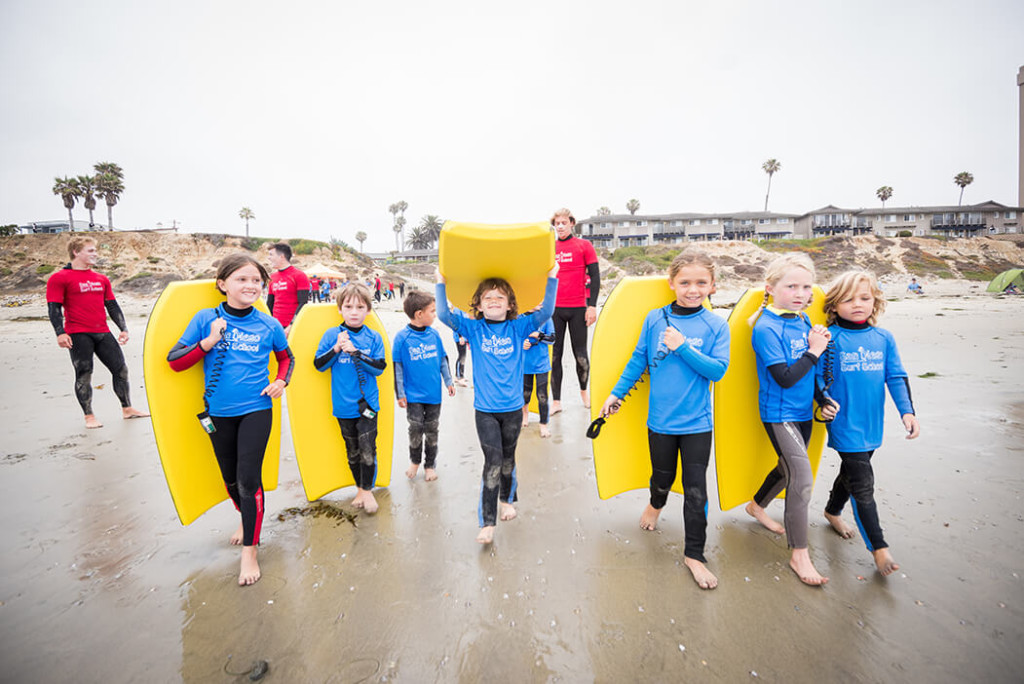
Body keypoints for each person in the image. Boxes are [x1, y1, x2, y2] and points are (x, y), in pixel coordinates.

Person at [599, 249, 729, 589]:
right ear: (672, 283)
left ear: (713, 286)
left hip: (698, 423)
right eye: (685, 282)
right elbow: (638, 360)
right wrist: (615, 395)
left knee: (696, 491)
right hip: (661, 421)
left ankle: (694, 555)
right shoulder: (655, 319)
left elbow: (718, 371)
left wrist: (683, 347)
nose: (692, 289)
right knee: (662, 476)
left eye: (701, 282)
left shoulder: (716, 325)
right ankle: (656, 503)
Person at [167, 253, 294, 586]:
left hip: (257, 409)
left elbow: (286, 358)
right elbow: (175, 361)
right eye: (242, 279)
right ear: (222, 284)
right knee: (230, 479)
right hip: (217, 413)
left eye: (256, 280)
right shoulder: (205, 318)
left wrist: (282, 381)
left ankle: (250, 551)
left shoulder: (269, 324)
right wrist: (207, 342)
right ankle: (245, 517)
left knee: (249, 480)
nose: (250, 285)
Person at [436, 263, 559, 544]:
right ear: (479, 304)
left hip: (514, 410)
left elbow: (546, 312)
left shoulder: (518, 327)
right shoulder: (474, 328)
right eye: (487, 298)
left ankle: (508, 498)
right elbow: (443, 313)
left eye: (500, 298)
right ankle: (487, 522)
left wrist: (551, 279)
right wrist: (441, 282)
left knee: (507, 459)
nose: (493, 301)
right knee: (492, 462)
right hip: (486, 411)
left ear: (510, 304)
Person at [816, 270, 920, 576]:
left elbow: (896, 376)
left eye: (864, 297)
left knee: (850, 472)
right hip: (844, 422)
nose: (858, 304)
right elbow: (818, 376)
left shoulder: (883, 338)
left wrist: (907, 411)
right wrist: (824, 402)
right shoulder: (829, 338)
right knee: (863, 483)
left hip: (873, 421)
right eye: (848, 299)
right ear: (834, 305)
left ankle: (832, 510)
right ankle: (879, 548)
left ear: (875, 301)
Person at [744, 253, 832, 586]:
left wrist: (823, 400)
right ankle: (799, 555)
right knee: (802, 480)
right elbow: (784, 376)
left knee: (786, 469)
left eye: (806, 287)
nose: (800, 293)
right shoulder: (766, 327)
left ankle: (756, 506)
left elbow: (811, 376)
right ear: (771, 288)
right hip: (779, 414)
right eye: (791, 286)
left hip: (803, 413)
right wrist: (815, 349)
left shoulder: (805, 320)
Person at [46, 236, 149, 429]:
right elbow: (54, 308)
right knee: (84, 373)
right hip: (78, 333)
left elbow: (112, 305)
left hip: (102, 331)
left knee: (121, 369)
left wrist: (123, 328)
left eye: (95, 250)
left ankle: (127, 409)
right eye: (91, 250)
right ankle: (89, 416)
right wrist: (60, 332)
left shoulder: (100, 278)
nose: (96, 254)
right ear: (76, 252)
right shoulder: (60, 278)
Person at [314, 284, 387, 513]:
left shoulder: (373, 337)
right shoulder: (331, 335)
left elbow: (379, 367)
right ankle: (360, 488)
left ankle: (368, 491)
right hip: (343, 406)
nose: (354, 312)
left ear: (368, 310)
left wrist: (356, 352)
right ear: (340, 309)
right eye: (348, 306)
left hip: (368, 405)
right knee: (352, 451)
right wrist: (336, 348)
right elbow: (318, 365)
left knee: (368, 449)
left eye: (360, 307)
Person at [393, 291, 455, 482]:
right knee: (415, 428)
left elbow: (442, 360)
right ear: (419, 314)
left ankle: (430, 465)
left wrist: (449, 381)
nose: (435, 314)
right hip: (413, 396)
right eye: (432, 311)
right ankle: (414, 461)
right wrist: (400, 394)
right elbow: (398, 368)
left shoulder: (434, 335)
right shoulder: (402, 338)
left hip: (433, 394)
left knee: (432, 429)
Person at [550, 208, 600, 414]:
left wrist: (592, 305)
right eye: (557, 223)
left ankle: (583, 391)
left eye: (564, 222)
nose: (560, 226)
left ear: (572, 223)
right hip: (555, 310)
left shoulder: (584, 246)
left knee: (580, 355)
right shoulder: (549, 248)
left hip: (579, 308)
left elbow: (595, 277)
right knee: (555, 356)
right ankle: (556, 401)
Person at [522, 315, 555, 438]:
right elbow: (513, 337)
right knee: (525, 393)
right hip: (525, 364)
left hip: (542, 364)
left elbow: (552, 339)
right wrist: (522, 343)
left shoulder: (546, 318)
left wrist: (539, 335)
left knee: (542, 395)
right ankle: (525, 414)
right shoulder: (520, 318)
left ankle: (543, 424)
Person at [266, 243, 310, 333]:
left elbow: (303, 303)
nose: (268, 258)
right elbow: (270, 303)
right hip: (275, 326)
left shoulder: (299, 275)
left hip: (293, 327)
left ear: (281, 256)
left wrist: (291, 326)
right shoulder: (272, 277)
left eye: (271, 254)